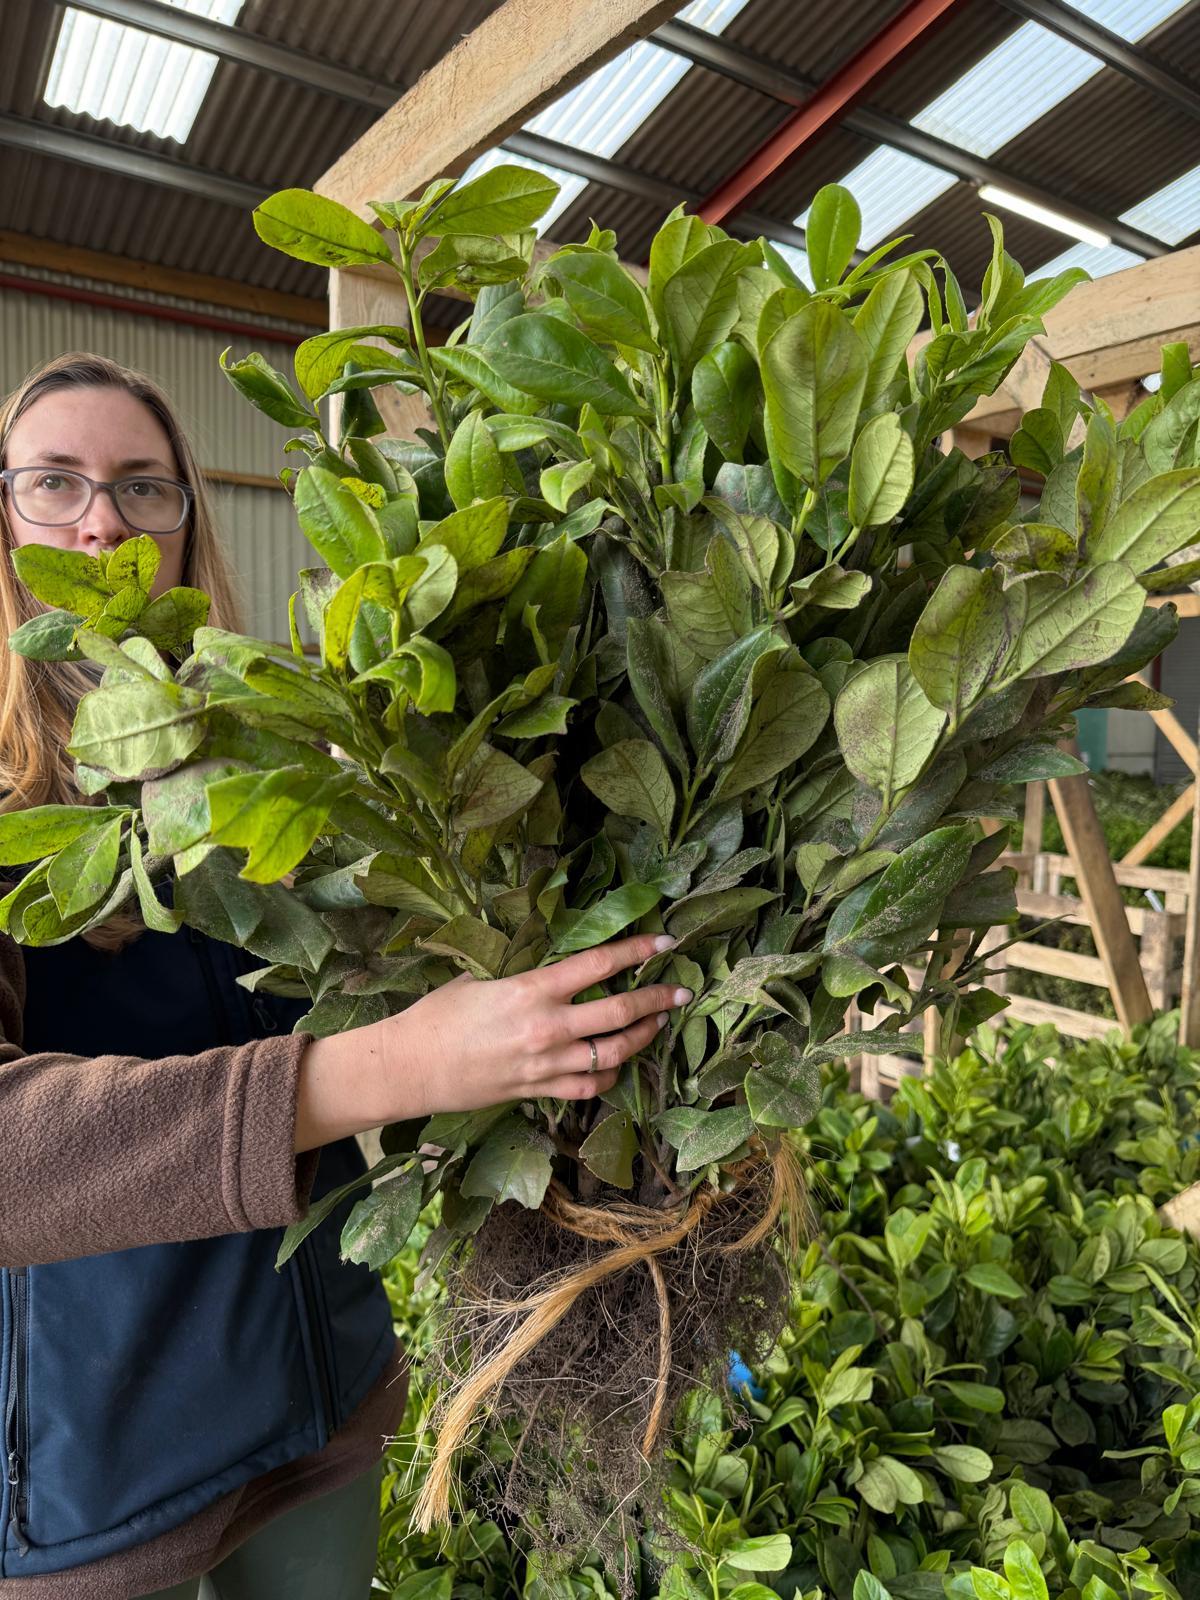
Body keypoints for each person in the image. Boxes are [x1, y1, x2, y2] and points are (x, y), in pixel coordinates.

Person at [0, 354, 689, 1600]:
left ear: (186, 525)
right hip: (102, 1470)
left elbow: (371, 995)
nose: (100, 519)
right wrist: (400, 1064)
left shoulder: (264, 743)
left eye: (143, 487)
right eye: (54, 483)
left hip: (319, 1395)